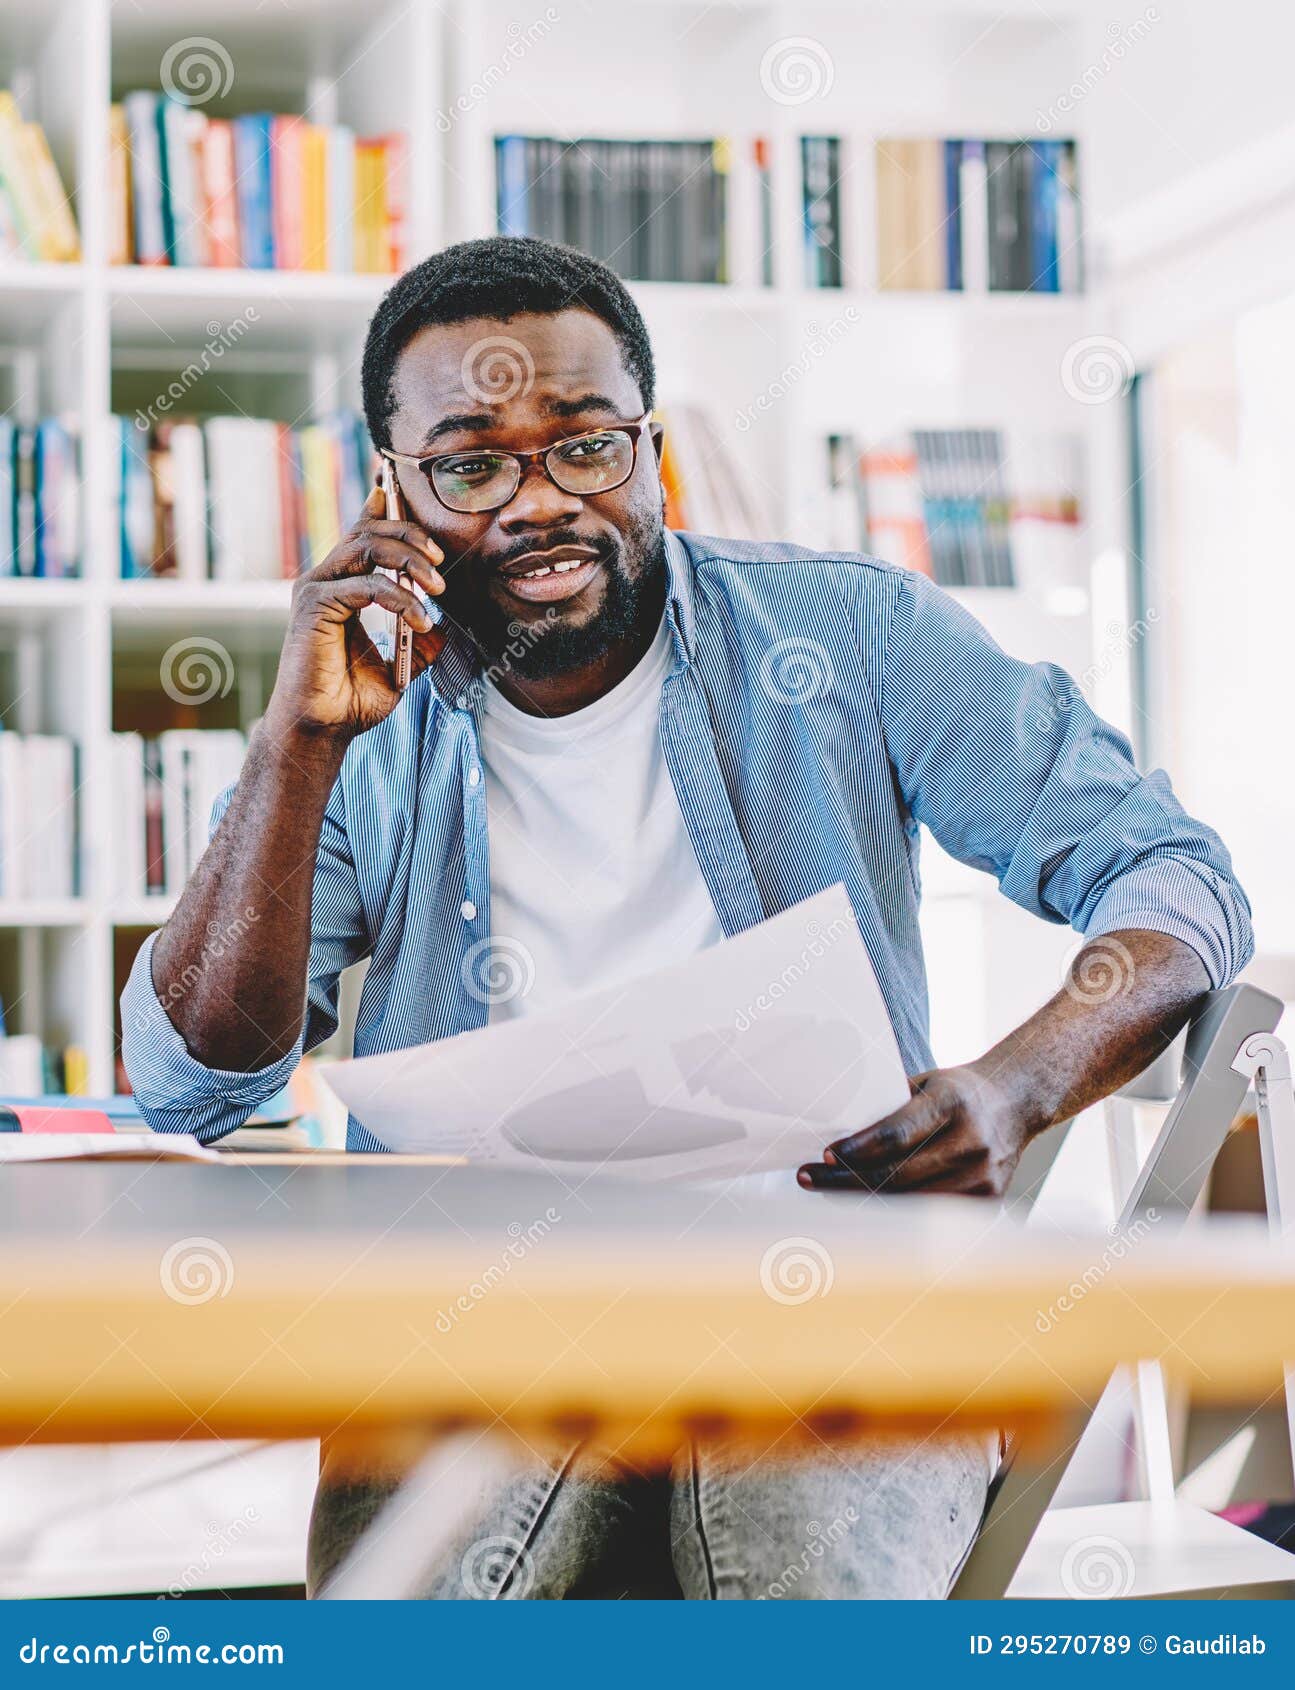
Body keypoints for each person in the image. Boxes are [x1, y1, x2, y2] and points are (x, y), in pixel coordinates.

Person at [122, 236, 1251, 1599]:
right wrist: (296, 746)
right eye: (475, 464)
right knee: (418, 1627)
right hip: (478, 1324)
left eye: (587, 447)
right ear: (393, 492)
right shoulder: (368, 716)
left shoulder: (851, 635)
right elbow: (190, 1076)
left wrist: (1015, 1087)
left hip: (838, 1304)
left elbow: (1174, 877)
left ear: (649, 446)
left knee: (797, 1604)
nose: (542, 501)